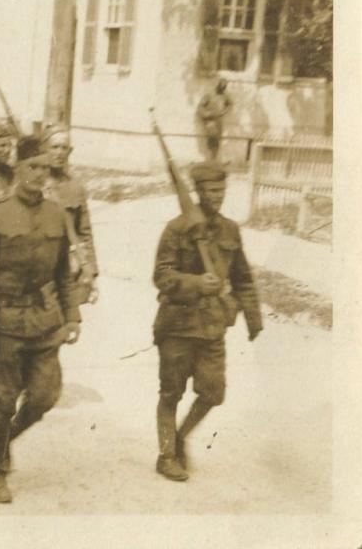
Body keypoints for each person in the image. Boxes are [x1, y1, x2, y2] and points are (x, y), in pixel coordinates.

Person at [0, 134, 82, 504]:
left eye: (45, 168)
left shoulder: (57, 215)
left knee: (45, 396)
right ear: (17, 168)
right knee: (3, 400)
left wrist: (72, 315)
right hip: (5, 320)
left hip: (45, 320)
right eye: (32, 167)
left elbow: (64, 273)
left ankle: (7, 439)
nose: (39, 175)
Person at [152, 161, 263, 482]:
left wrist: (253, 318)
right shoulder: (177, 228)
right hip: (177, 325)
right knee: (170, 393)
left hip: (213, 326)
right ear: (198, 191)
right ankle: (167, 455)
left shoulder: (229, 230)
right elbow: (161, 275)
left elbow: (242, 277)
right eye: (211, 191)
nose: (217, 196)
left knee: (214, 393)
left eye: (222, 190)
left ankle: (181, 436)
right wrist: (197, 284)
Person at [40, 126, 99, 306]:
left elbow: (85, 232)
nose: (59, 153)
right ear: (44, 148)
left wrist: (91, 272)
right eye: (54, 147)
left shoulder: (75, 187)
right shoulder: (33, 183)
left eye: (64, 148)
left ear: (70, 151)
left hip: (68, 270)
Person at [196, 78, 231, 161]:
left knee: (217, 140)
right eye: (221, 86)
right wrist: (206, 114)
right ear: (218, 86)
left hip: (218, 121)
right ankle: (209, 159)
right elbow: (200, 107)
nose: (222, 89)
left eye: (224, 87)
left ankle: (213, 160)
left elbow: (229, 104)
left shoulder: (224, 96)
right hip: (210, 120)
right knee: (212, 138)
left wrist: (224, 112)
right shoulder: (209, 95)